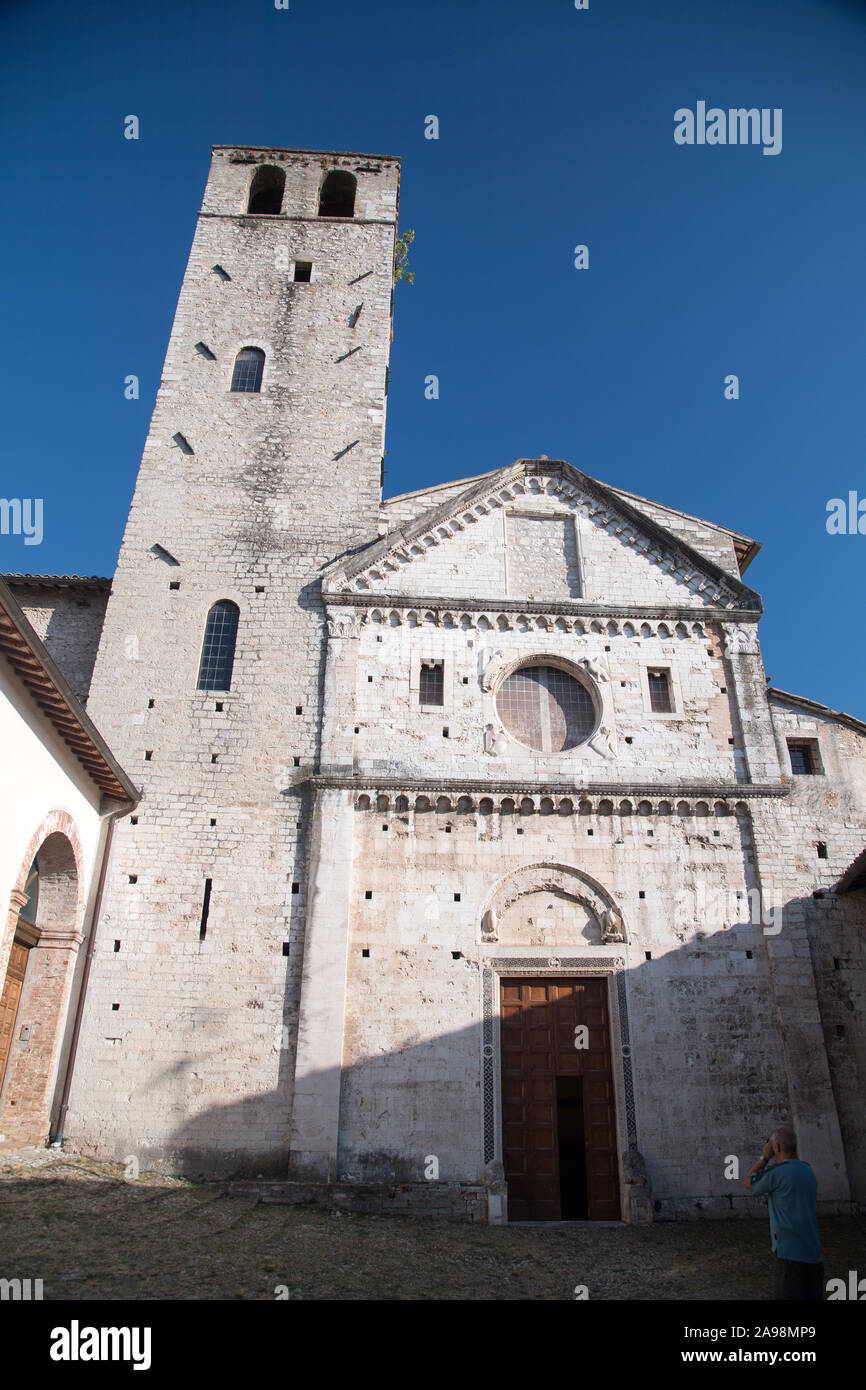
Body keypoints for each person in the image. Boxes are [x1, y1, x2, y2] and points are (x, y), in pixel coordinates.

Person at [744, 1124, 824, 1300]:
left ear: (777, 1147)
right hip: (813, 1251)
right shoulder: (808, 1170)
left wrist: (764, 1158)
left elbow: (749, 1182)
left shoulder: (777, 1173)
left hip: (790, 1251)